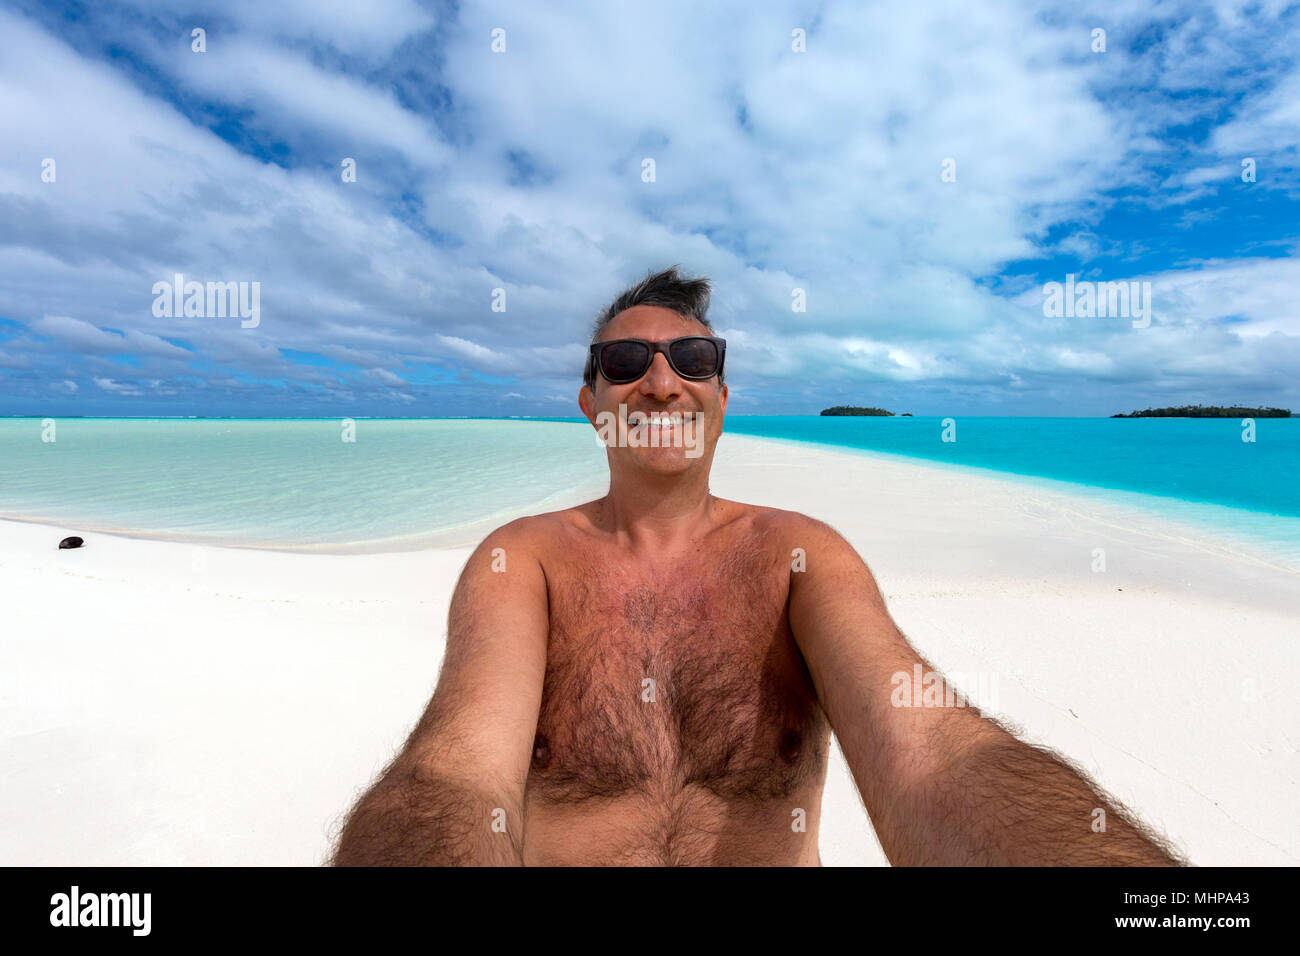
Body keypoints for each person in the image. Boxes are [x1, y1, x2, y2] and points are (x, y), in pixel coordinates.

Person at [331, 266, 1185, 866]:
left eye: (694, 361)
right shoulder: (524, 563)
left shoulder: (798, 557)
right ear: (591, 405)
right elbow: (453, 773)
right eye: (626, 364)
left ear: (723, 398)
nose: (661, 384)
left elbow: (930, 755)